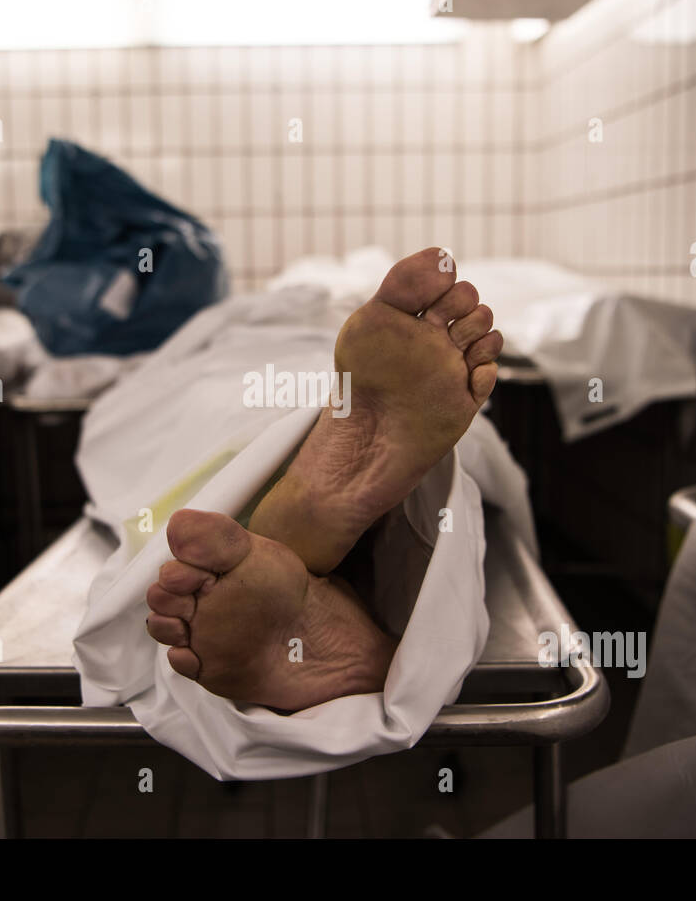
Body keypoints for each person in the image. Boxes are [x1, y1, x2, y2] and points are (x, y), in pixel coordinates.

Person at [142, 248, 503, 711]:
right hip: (329, 355)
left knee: (229, 406)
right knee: (285, 389)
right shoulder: (364, 319)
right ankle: (364, 642)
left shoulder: (247, 316)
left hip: (249, 367)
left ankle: (290, 508)